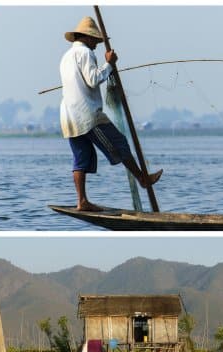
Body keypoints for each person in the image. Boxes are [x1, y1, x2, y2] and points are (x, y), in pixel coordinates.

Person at [60, 17, 162, 212]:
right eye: (96, 40)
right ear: (88, 38)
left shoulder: (67, 56)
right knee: (120, 143)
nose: (97, 44)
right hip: (86, 115)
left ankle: (81, 201)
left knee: (82, 157)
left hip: (67, 115)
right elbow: (94, 79)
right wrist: (110, 64)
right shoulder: (85, 53)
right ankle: (142, 178)